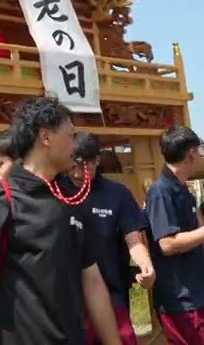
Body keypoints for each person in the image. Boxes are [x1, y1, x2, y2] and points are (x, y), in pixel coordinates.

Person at [0, 97, 122, 344]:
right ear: (46, 138)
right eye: (70, 135)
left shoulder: (73, 198)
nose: (75, 144)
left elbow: (92, 280)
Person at [145, 125, 204, 345]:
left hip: (198, 292)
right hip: (180, 299)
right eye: (201, 151)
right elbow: (166, 244)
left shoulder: (181, 188)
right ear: (192, 153)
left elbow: (193, 236)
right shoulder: (161, 191)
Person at [72, 132, 156, 345]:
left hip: (110, 293)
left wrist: (146, 266)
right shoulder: (57, 190)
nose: (79, 173)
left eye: (86, 166)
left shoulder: (117, 194)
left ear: (97, 160)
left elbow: (134, 239)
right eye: (74, 165)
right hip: (69, 297)